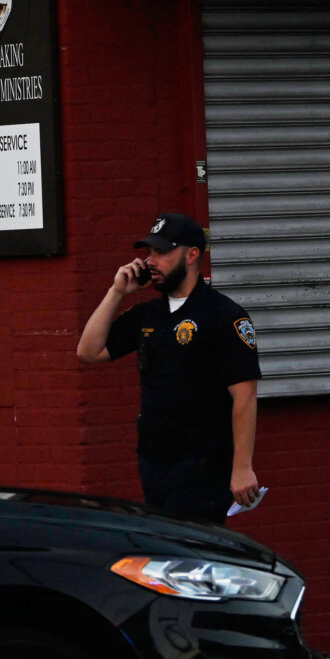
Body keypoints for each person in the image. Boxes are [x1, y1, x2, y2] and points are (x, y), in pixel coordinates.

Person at [76, 212, 263, 523]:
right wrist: (117, 292)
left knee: (192, 560)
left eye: (161, 252)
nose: (150, 260)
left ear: (191, 255)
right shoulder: (150, 314)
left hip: (202, 466)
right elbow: (88, 351)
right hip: (155, 463)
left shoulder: (224, 316)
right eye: (149, 252)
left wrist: (242, 467)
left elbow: (245, 397)